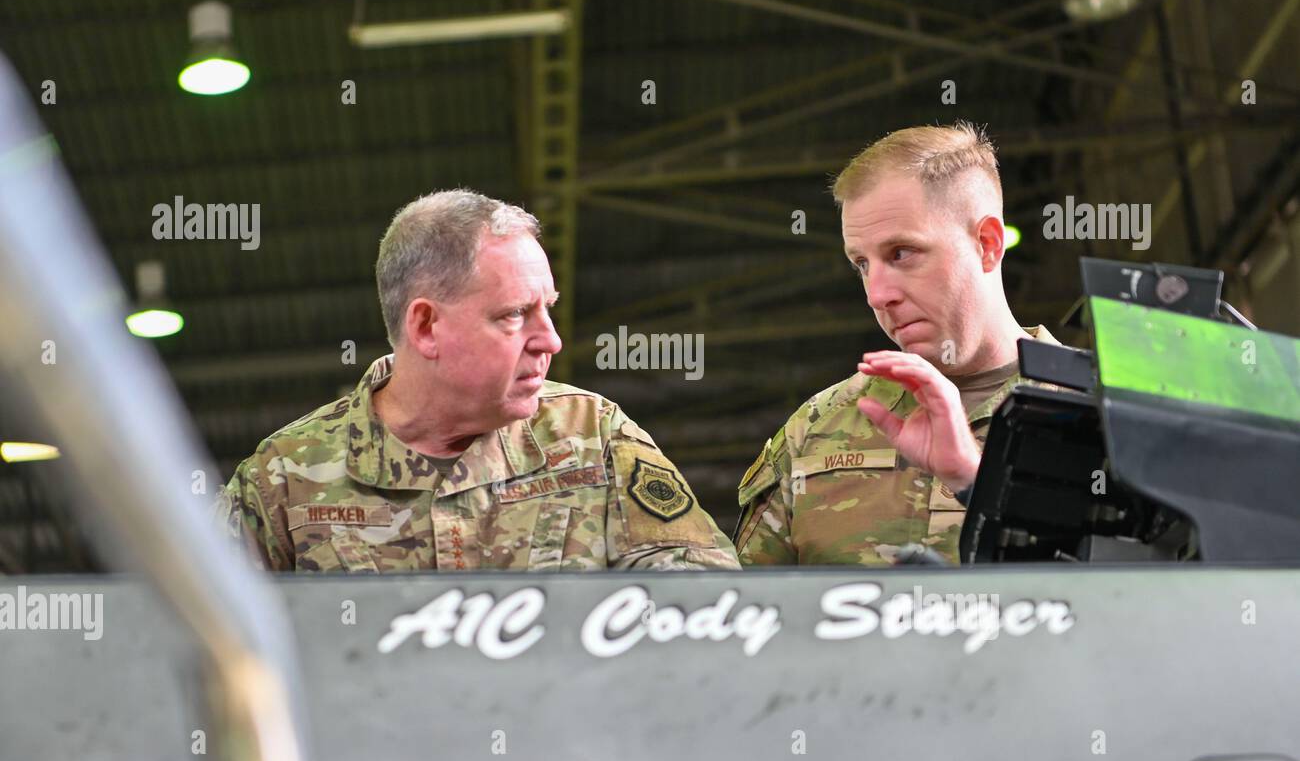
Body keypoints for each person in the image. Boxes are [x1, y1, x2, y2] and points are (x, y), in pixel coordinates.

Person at [216, 189, 740, 572]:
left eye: (548, 309)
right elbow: (192, 652)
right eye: (515, 314)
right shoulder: (283, 481)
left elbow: (703, 613)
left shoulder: (595, 438)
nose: (550, 341)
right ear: (425, 326)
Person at [735, 122, 1058, 566]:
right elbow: (747, 617)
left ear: (987, 243)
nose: (876, 294)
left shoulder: (1105, 413)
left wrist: (976, 483)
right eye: (862, 264)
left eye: (901, 253)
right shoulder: (814, 430)